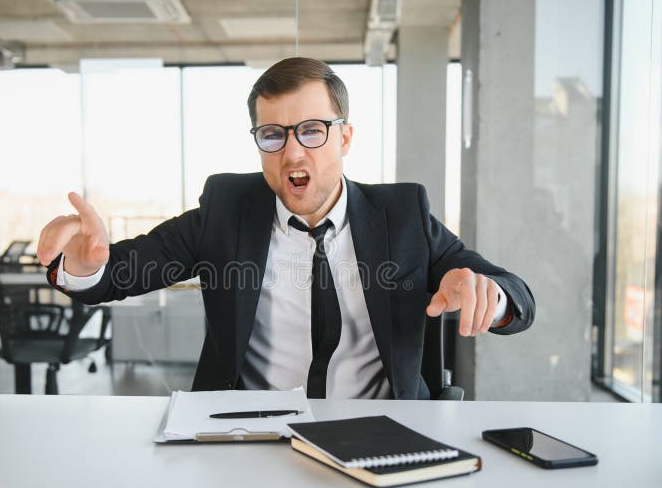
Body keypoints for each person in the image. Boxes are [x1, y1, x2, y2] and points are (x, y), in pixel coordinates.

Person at [37, 57, 535, 400]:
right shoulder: (226, 209)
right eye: (273, 135)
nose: (293, 152)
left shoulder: (402, 214)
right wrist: (83, 265)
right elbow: (119, 274)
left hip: (379, 428)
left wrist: (490, 296)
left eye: (312, 131)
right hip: (250, 437)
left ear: (345, 138)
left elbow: (517, 296)